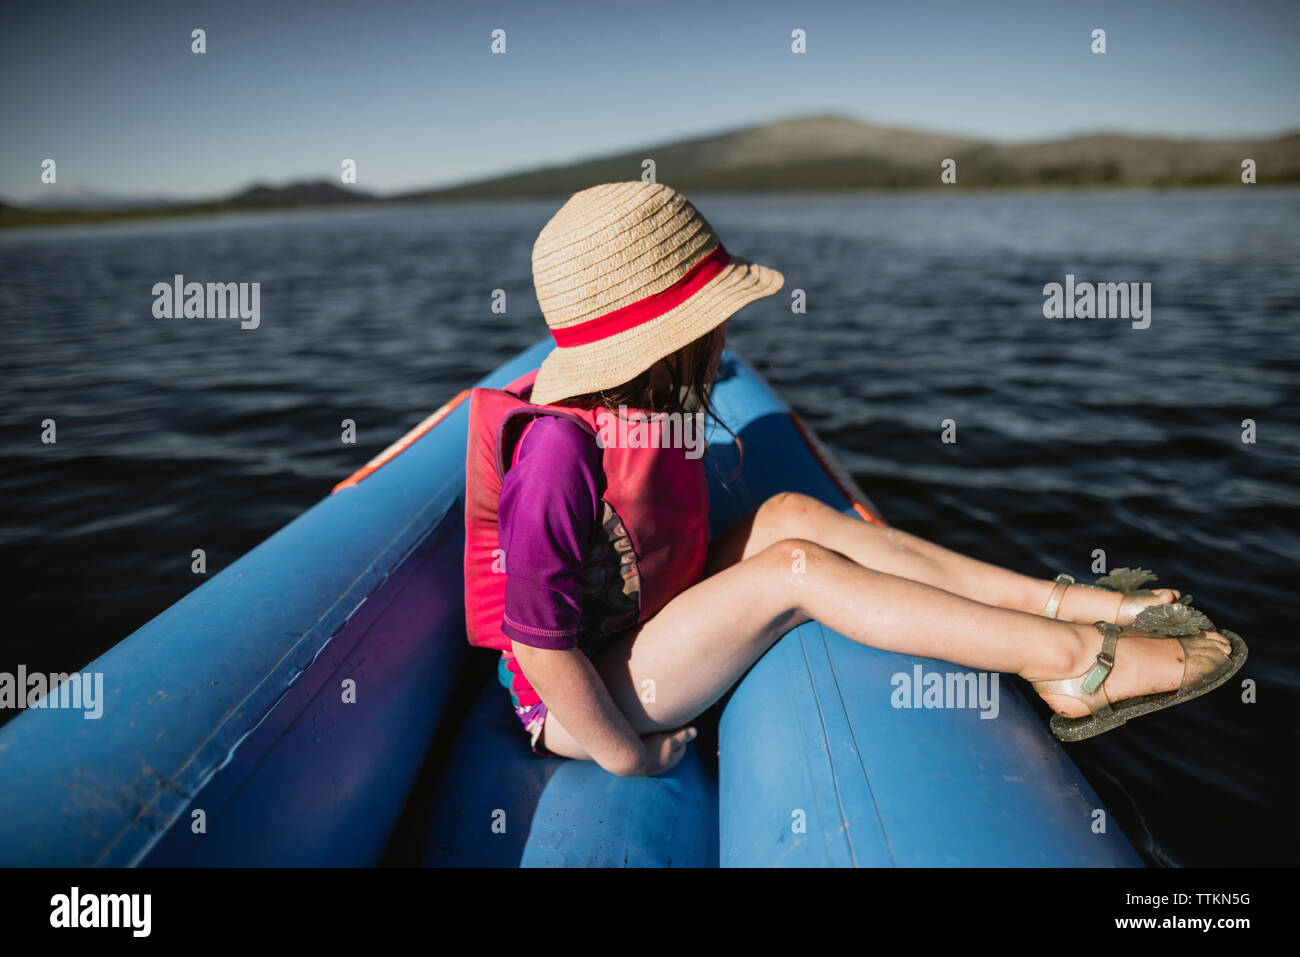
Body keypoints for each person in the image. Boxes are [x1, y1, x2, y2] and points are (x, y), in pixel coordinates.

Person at [463, 181, 1246, 777]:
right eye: (712, 318)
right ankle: (1072, 661)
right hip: (578, 700)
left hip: (635, 620)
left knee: (793, 513)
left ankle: (1071, 600)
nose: (725, 330)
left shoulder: (638, 406)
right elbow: (539, 649)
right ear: (671, 340)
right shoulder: (557, 458)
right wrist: (625, 757)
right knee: (791, 575)